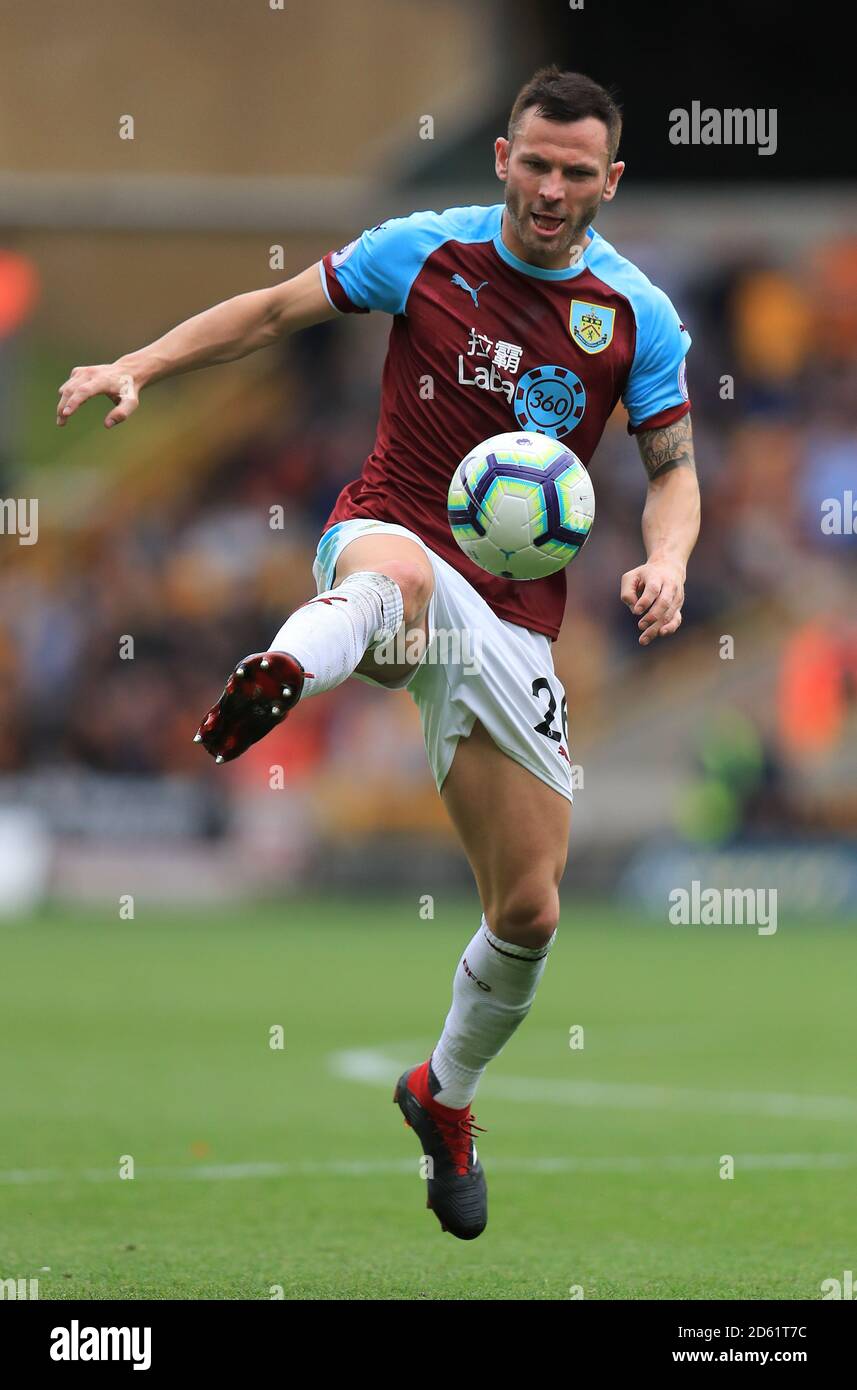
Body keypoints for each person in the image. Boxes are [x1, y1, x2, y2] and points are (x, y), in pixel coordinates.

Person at [56, 67, 700, 1241]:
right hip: (391, 532)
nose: (549, 189)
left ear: (608, 181)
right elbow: (266, 314)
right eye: (533, 162)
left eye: (574, 172)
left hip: (513, 618)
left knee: (530, 911)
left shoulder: (634, 316)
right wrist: (138, 364)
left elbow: (671, 474)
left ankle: (440, 1098)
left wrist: (667, 560)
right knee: (387, 582)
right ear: (500, 157)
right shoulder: (423, 250)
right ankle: (288, 667)